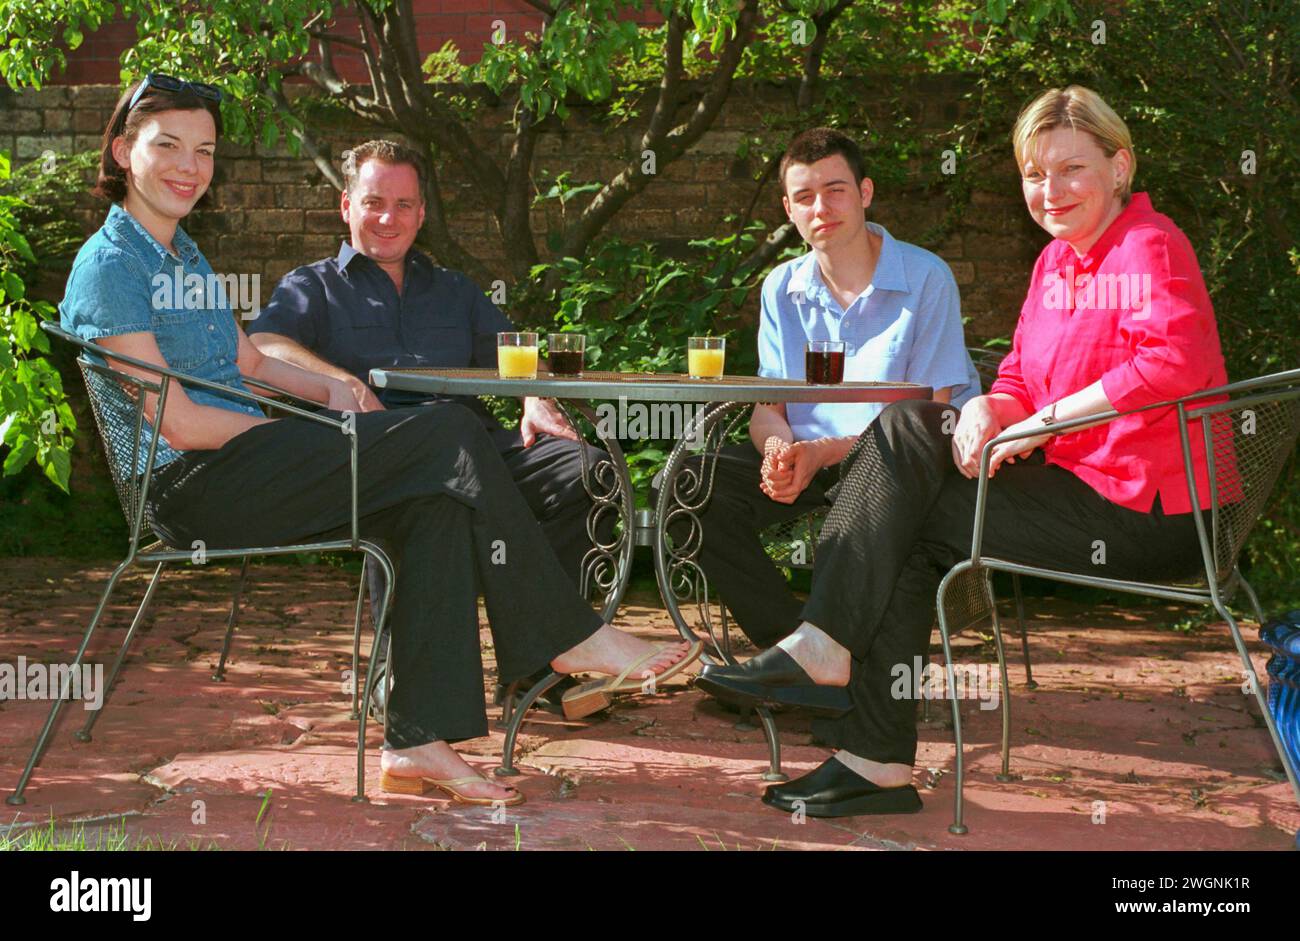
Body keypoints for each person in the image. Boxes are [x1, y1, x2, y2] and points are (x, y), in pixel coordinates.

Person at [60, 73, 697, 808]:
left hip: (240, 464)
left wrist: (336, 391)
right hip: (192, 486)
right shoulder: (110, 265)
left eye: (203, 151)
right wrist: (306, 429)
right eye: (168, 146)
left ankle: (417, 741)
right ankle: (564, 634)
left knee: (432, 505)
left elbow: (248, 362)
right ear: (121, 150)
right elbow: (178, 423)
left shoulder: (185, 256)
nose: (189, 166)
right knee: (452, 433)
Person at [697, 86, 1225, 817]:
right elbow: (1017, 376)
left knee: (912, 424)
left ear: (1119, 165)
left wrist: (1034, 425)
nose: (1051, 190)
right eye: (1035, 175)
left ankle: (823, 645)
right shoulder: (1056, 266)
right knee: (909, 517)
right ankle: (873, 760)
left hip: (1154, 509)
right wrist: (988, 406)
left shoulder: (1147, 245)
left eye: (1071, 169)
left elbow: (1169, 364)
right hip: (1076, 489)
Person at [246, 139, 613, 709]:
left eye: (403, 204)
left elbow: (515, 351)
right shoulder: (312, 286)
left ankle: (533, 670)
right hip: (377, 454)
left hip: (475, 448)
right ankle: (413, 669)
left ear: (422, 213)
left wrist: (536, 394)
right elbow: (265, 346)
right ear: (347, 206)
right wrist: (339, 382)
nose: (388, 218)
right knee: (427, 494)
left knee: (582, 469)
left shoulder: (455, 290)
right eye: (374, 202)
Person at [667, 127, 980, 649]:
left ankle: (822, 657)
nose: (822, 208)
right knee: (686, 492)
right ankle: (790, 647)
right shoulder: (781, 288)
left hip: (898, 461)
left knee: (855, 517)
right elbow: (768, 407)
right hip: (810, 454)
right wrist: (778, 450)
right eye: (805, 197)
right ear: (788, 209)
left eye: (835, 190)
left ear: (865, 193)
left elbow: (933, 415)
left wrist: (821, 453)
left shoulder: (927, 278)